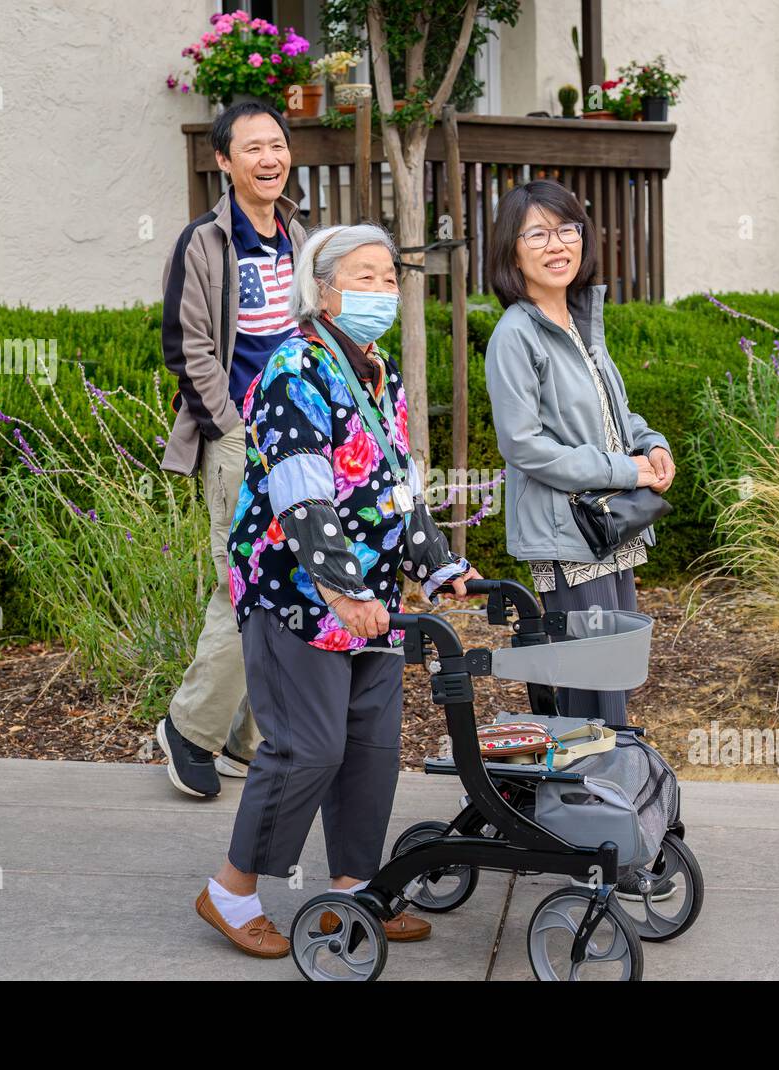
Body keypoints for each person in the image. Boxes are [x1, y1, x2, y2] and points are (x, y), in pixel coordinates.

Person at [193, 223, 481, 957]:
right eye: (364, 276)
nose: (382, 290)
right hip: (299, 594)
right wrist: (339, 588)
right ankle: (230, 889)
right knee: (306, 749)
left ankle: (356, 892)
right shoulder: (296, 369)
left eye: (390, 277)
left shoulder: (379, 374)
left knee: (371, 748)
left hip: (372, 598)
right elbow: (301, 496)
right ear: (323, 289)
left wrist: (442, 568)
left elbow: (397, 486)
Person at [155, 101, 307, 798]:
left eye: (277, 144)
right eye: (252, 148)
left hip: (299, 439)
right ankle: (189, 729)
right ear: (224, 161)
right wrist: (229, 426)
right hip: (240, 441)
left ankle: (247, 739)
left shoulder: (297, 238)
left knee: (292, 582)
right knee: (240, 584)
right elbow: (186, 349)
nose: (269, 158)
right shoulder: (205, 242)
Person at [484, 180, 675, 725]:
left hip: (610, 525)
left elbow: (613, 412)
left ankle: (611, 788)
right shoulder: (516, 334)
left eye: (568, 229)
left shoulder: (581, 319)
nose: (557, 244)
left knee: (614, 670)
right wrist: (624, 470)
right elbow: (523, 445)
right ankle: (581, 796)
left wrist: (650, 445)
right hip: (568, 533)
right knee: (588, 684)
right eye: (538, 233)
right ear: (512, 251)